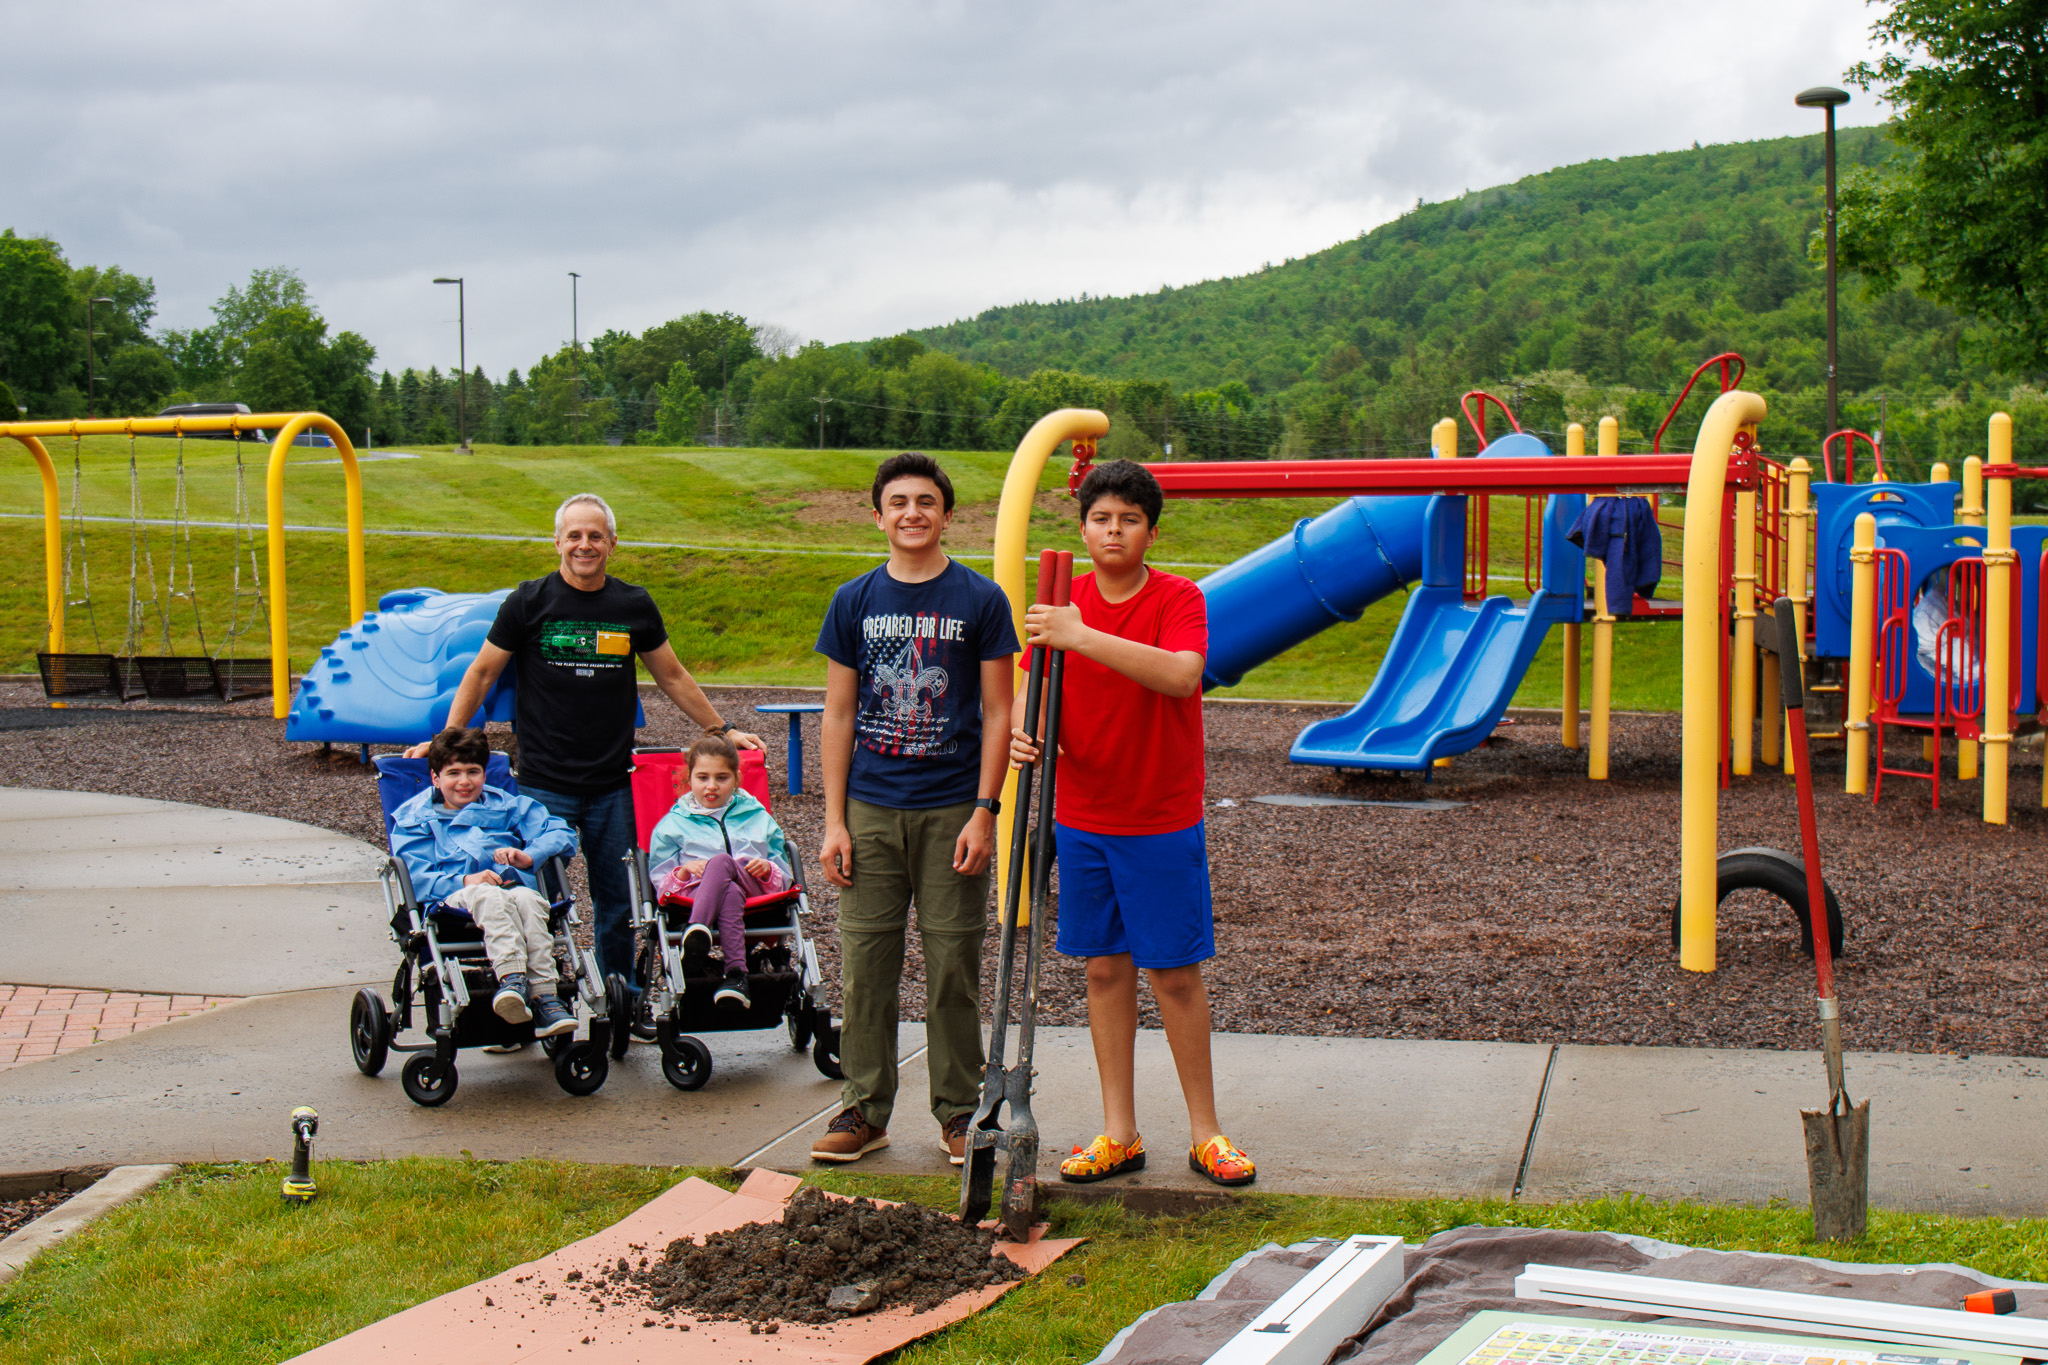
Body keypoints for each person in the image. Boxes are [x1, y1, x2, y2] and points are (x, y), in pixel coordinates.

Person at [1009, 458, 1255, 1188]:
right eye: (1100, 518)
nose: (1113, 531)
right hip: (1081, 813)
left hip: (1158, 814)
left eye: (1129, 519)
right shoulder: (1062, 600)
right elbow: (1039, 689)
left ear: (1150, 528)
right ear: (1082, 526)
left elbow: (1182, 675)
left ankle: (1206, 1130)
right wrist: (1032, 733)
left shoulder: (1177, 597)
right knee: (1104, 968)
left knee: (1174, 973)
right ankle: (1120, 1130)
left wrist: (1080, 635)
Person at [406, 492, 760, 988]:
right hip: (541, 784)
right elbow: (483, 672)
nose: (584, 545)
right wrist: (444, 741)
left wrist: (722, 730)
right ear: (557, 541)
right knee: (524, 894)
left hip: (612, 783)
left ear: (612, 543)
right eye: (574, 535)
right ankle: (526, 995)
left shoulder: (632, 604)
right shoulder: (528, 602)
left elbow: (673, 675)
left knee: (617, 901)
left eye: (595, 536)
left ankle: (620, 999)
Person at [811, 453, 1017, 1166]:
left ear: (946, 514)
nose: (911, 514)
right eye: (897, 502)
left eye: (925, 502)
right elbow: (838, 715)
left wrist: (986, 810)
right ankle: (864, 1108)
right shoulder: (854, 600)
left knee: (953, 961)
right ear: (878, 515)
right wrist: (833, 820)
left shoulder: (980, 600)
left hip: (952, 806)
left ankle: (960, 1110)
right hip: (870, 807)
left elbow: (998, 711)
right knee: (866, 963)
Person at [390, 726, 580, 1036]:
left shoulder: (505, 804)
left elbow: (561, 833)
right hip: (452, 897)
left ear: (484, 774)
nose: (464, 781)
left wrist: (529, 855)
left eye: (473, 772)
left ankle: (545, 994)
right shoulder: (415, 817)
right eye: (453, 773)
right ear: (435, 778)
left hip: (510, 890)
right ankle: (512, 980)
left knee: (532, 900)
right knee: (488, 896)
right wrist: (465, 879)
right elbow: (415, 875)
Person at [647, 733, 794, 1013]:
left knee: (722, 863)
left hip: (756, 893)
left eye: (722, 778)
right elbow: (661, 882)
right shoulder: (672, 825)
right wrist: (684, 872)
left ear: (737, 779)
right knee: (728, 889)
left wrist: (768, 870)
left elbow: (784, 872)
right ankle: (736, 976)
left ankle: (696, 931)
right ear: (688, 779)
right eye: (702, 778)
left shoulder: (758, 817)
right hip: (696, 895)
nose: (711, 786)